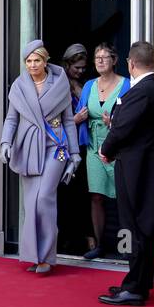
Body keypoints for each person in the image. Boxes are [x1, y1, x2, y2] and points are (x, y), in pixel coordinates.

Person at [1, 41, 80, 274]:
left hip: (56, 148)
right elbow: (11, 119)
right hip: (28, 147)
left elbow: (68, 120)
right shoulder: (18, 86)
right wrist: (5, 142)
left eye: (37, 60)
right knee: (30, 203)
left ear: (46, 61)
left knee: (45, 198)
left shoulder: (60, 83)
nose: (32, 65)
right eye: (28, 61)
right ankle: (34, 255)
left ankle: (46, 256)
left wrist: (74, 153)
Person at [98, 42, 154, 307]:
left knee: (136, 226)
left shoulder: (142, 91)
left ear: (131, 63)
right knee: (141, 225)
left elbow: (122, 126)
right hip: (141, 164)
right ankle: (137, 282)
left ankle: (136, 288)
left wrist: (107, 148)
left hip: (136, 168)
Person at [75, 43, 130, 259]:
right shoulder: (89, 85)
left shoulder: (126, 85)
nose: (99, 61)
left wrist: (114, 123)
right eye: (97, 57)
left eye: (105, 57)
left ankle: (126, 247)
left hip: (118, 148)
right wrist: (77, 119)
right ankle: (99, 245)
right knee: (96, 196)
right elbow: (79, 112)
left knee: (123, 197)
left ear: (115, 60)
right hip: (93, 146)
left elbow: (132, 117)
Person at [57, 43, 93, 255]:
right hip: (63, 148)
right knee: (65, 195)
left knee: (82, 195)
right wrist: (75, 119)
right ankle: (64, 240)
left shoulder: (86, 85)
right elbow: (51, 120)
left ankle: (83, 239)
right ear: (67, 65)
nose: (80, 71)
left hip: (83, 146)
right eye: (76, 67)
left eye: (82, 67)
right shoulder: (60, 86)